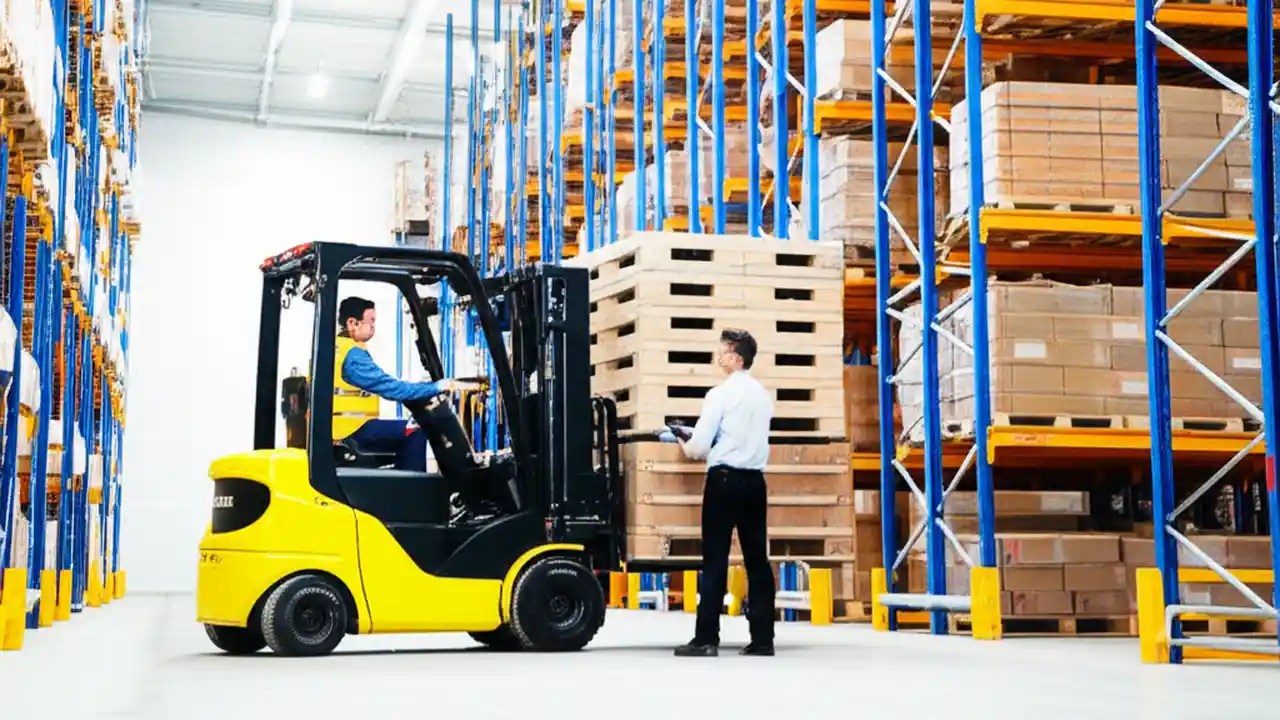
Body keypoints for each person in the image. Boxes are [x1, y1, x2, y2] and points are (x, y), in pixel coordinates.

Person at [671, 328, 776, 658]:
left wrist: (683, 442)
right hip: (755, 483)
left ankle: (706, 639)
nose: (718, 356)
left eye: (723, 351)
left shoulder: (719, 395)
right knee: (757, 561)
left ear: (736, 357)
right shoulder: (762, 395)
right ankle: (763, 640)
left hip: (724, 482)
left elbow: (700, 446)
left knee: (715, 559)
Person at [333, 296, 475, 472]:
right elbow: (391, 388)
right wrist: (438, 386)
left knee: (404, 431)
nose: (374, 327)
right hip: (352, 432)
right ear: (353, 323)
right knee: (414, 430)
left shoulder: (338, 347)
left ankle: (399, 486)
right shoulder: (353, 356)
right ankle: (414, 494)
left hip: (345, 430)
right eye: (371, 321)